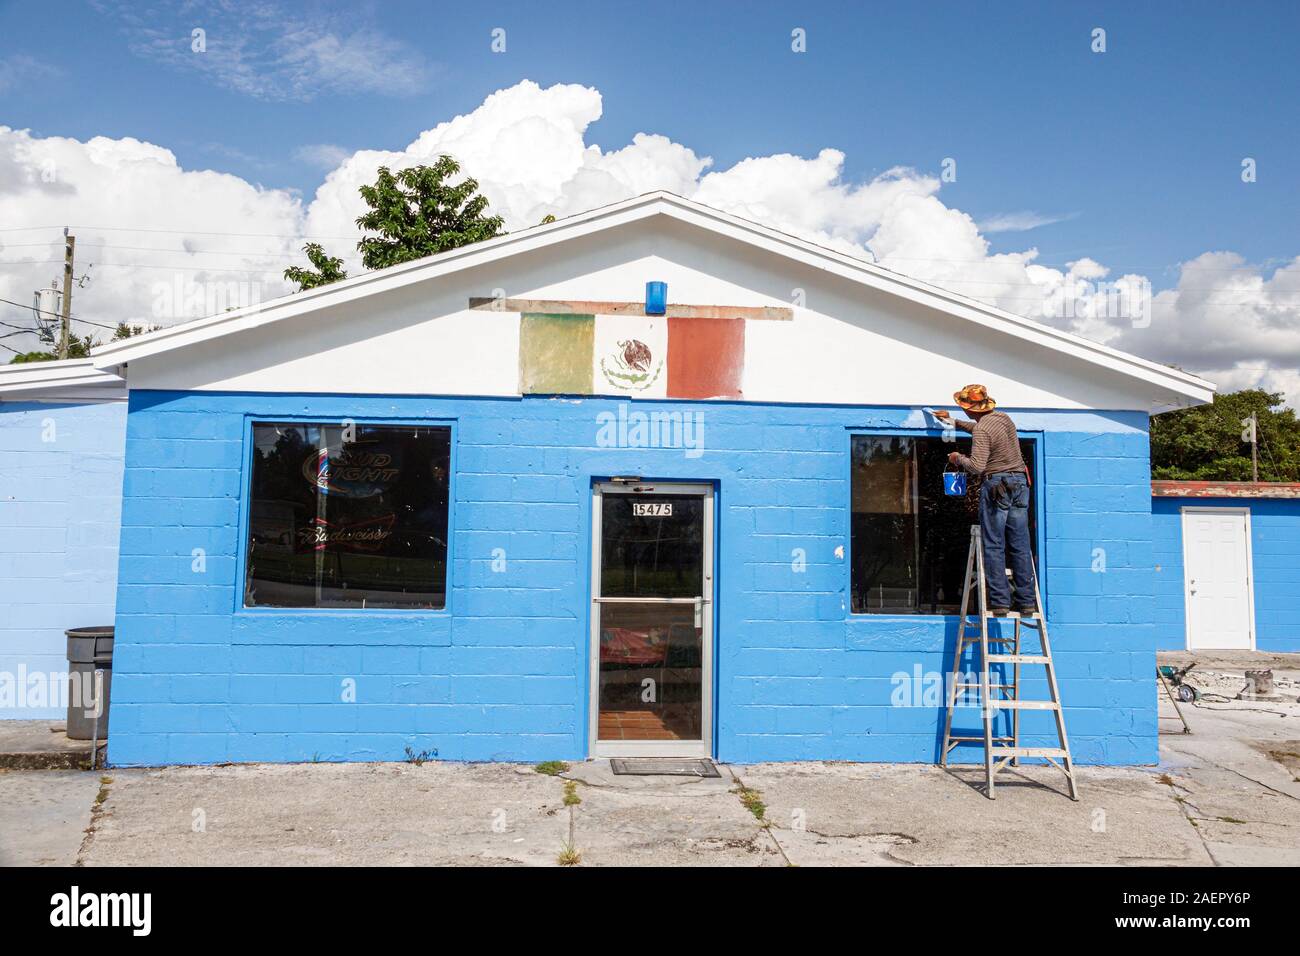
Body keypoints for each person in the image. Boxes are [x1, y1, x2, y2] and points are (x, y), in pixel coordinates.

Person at [933, 384, 1036, 616]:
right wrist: (955, 421)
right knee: (1020, 544)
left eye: (964, 408)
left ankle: (1000, 602)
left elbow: (978, 466)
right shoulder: (1004, 419)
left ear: (972, 409)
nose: (965, 412)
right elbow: (983, 430)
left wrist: (958, 458)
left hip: (996, 486)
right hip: (1019, 483)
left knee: (994, 543)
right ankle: (1027, 602)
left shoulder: (982, 430)